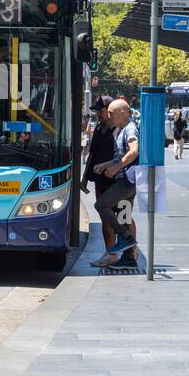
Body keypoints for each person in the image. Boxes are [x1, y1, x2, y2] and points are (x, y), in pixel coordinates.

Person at [91, 99, 139, 268]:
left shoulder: (130, 128)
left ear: (123, 113)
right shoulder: (121, 129)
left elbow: (134, 151)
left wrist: (116, 167)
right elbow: (121, 156)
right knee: (123, 215)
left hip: (127, 179)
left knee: (101, 205)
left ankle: (125, 237)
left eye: (111, 113)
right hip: (125, 178)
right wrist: (106, 165)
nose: (108, 116)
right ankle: (129, 258)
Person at [82, 96, 116, 256]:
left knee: (124, 216)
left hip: (118, 181)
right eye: (97, 111)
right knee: (104, 216)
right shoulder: (98, 128)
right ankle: (110, 253)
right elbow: (92, 154)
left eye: (101, 111)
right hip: (100, 182)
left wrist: (108, 165)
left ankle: (130, 252)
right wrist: (84, 178)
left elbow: (128, 155)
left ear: (110, 110)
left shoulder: (120, 129)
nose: (98, 114)